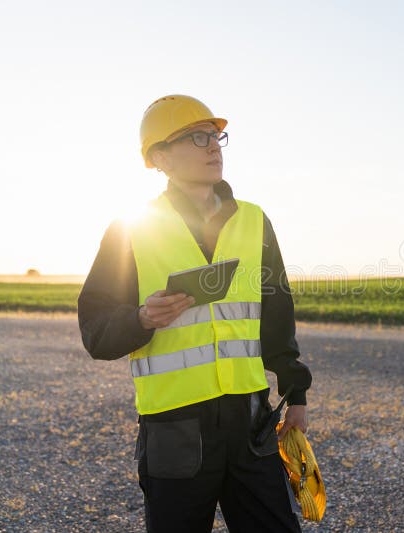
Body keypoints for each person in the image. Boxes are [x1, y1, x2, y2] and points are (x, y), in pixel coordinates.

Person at [77, 94, 311, 532]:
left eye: (216, 136)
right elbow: (95, 330)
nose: (213, 147)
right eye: (196, 137)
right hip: (174, 428)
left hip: (251, 422)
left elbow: (277, 311)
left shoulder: (255, 221)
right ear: (160, 157)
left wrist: (294, 391)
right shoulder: (131, 228)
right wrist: (141, 319)